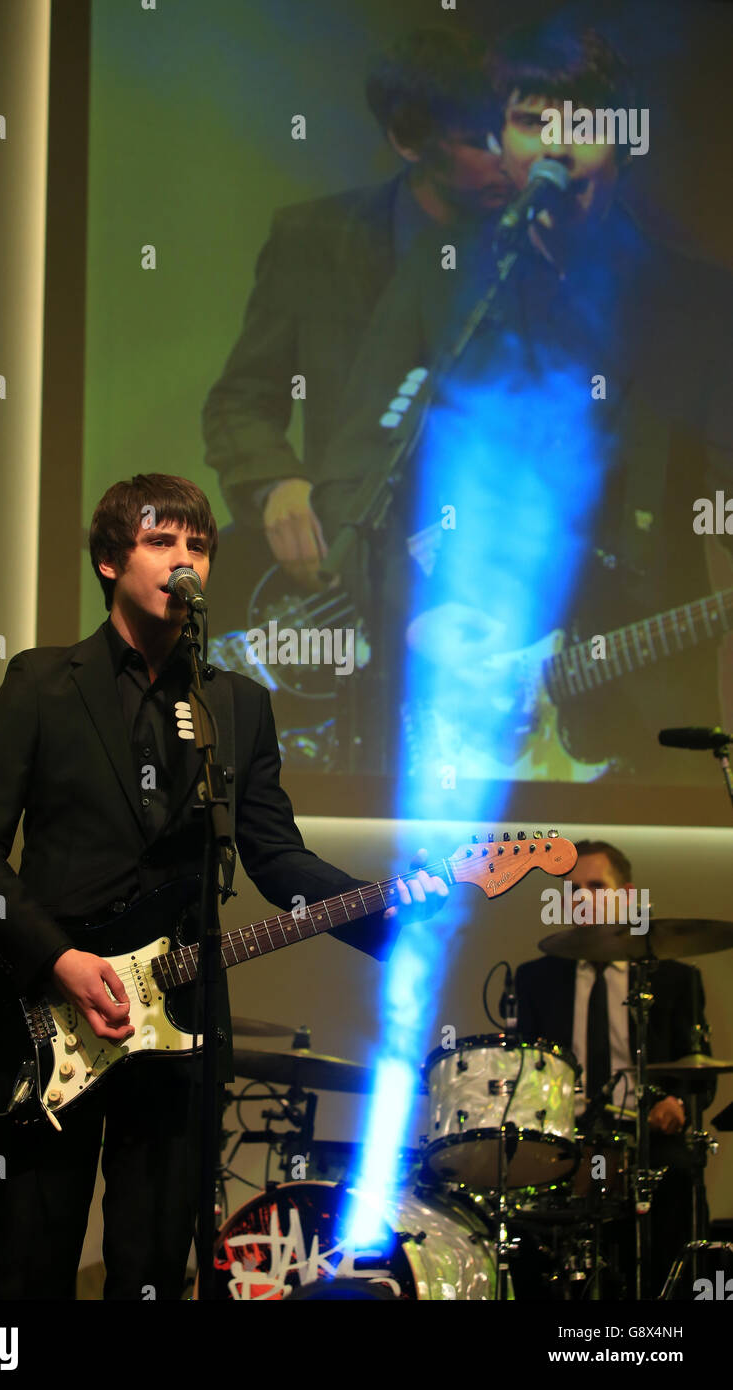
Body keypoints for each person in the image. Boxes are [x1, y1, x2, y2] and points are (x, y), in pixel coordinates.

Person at [0, 472, 447, 1300]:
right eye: (161, 541)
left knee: (151, 1268)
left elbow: (275, 859)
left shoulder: (238, 706)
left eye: (199, 546)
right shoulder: (41, 682)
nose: (185, 561)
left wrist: (383, 908)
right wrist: (61, 959)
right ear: (110, 561)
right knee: (31, 1265)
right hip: (46, 1015)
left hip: (178, 1017)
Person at [312, 20, 733, 779]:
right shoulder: (442, 278)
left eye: (585, 127)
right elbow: (352, 476)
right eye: (532, 122)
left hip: (649, 712)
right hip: (470, 715)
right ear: (502, 143)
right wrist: (422, 614)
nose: (556, 149)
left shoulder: (698, 303)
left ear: (624, 145)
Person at [201, 26, 508, 620]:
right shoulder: (313, 241)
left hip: (482, 588)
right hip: (346, 585)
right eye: (478, 141)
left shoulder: (531, 251)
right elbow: (239, 402)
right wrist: (277, 485)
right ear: (408, 141)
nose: (505, 157)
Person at [514, 838, 713, 1297]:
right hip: (569, 1138)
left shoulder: (675, 979)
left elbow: (701, 1072)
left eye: (596, 887)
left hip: (648, 1137)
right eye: (573, 890)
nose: (583, 898)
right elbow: (529, 1070)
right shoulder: (536, 979)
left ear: (626, 896)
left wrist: (676, 1102)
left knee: (678, 1183)